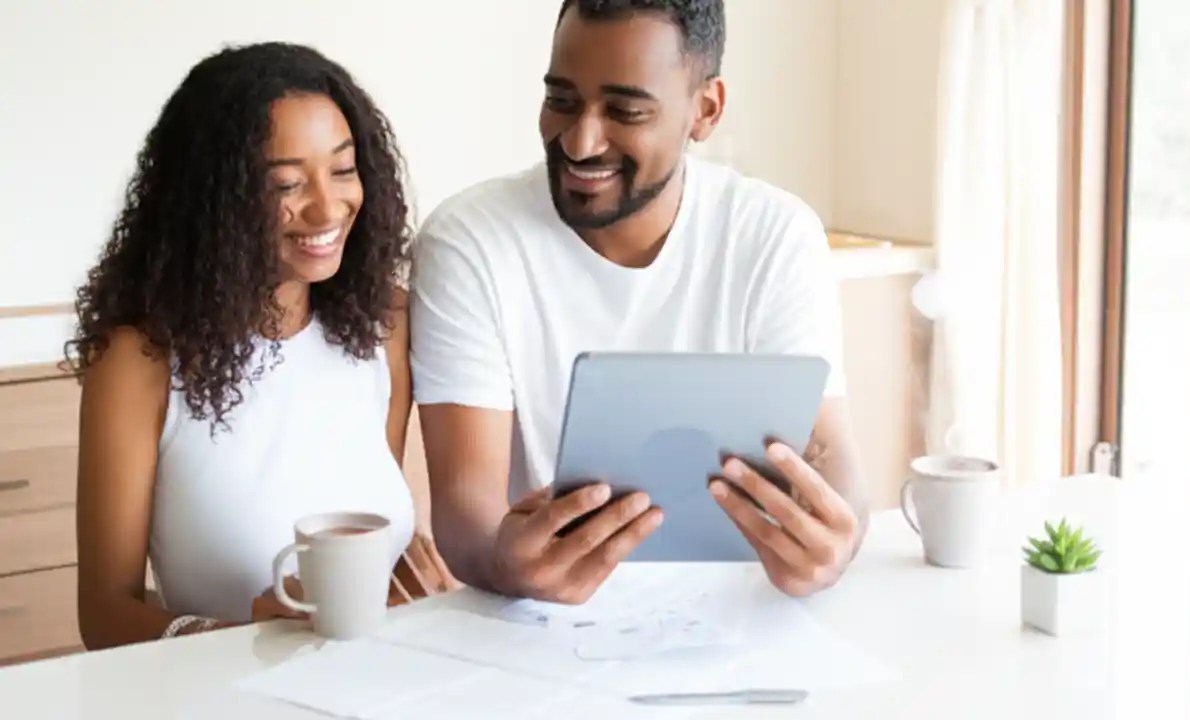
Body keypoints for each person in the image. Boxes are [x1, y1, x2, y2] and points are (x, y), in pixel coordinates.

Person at [411, 0, 870, 604]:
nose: (579, 141)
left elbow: (830, 457)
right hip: (539, 632)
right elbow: (465, 515)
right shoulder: (471, 241)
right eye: (562, 101)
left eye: (625, 111)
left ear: (704, 110)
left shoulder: (774, 235)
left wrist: (834, 543)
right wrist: (504, 562)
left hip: (734, 615)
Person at [70, 42, 451, 650]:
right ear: (212, 202)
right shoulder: (139, 361)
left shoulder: (384, 324)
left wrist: (423, 584)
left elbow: (384, 543)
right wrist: (241, 637)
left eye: (344, 169)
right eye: (286, 183)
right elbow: (105, 615)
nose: (328, 207)